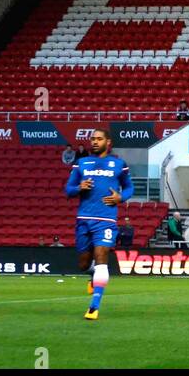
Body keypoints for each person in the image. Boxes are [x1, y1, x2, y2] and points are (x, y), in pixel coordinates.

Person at [64, 127, 133, 321]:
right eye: (92, 139)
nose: (94, 142)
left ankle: (94, 306)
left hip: (107, 219)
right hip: (84, 219)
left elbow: (129, 187)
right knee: (83, 264)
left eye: (98, 139)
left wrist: (120, 197)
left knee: (102, 256)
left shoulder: (119, 164)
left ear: (108, 142)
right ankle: (92, 272)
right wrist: (79, 187)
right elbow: (68, 190)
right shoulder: (82, 163)